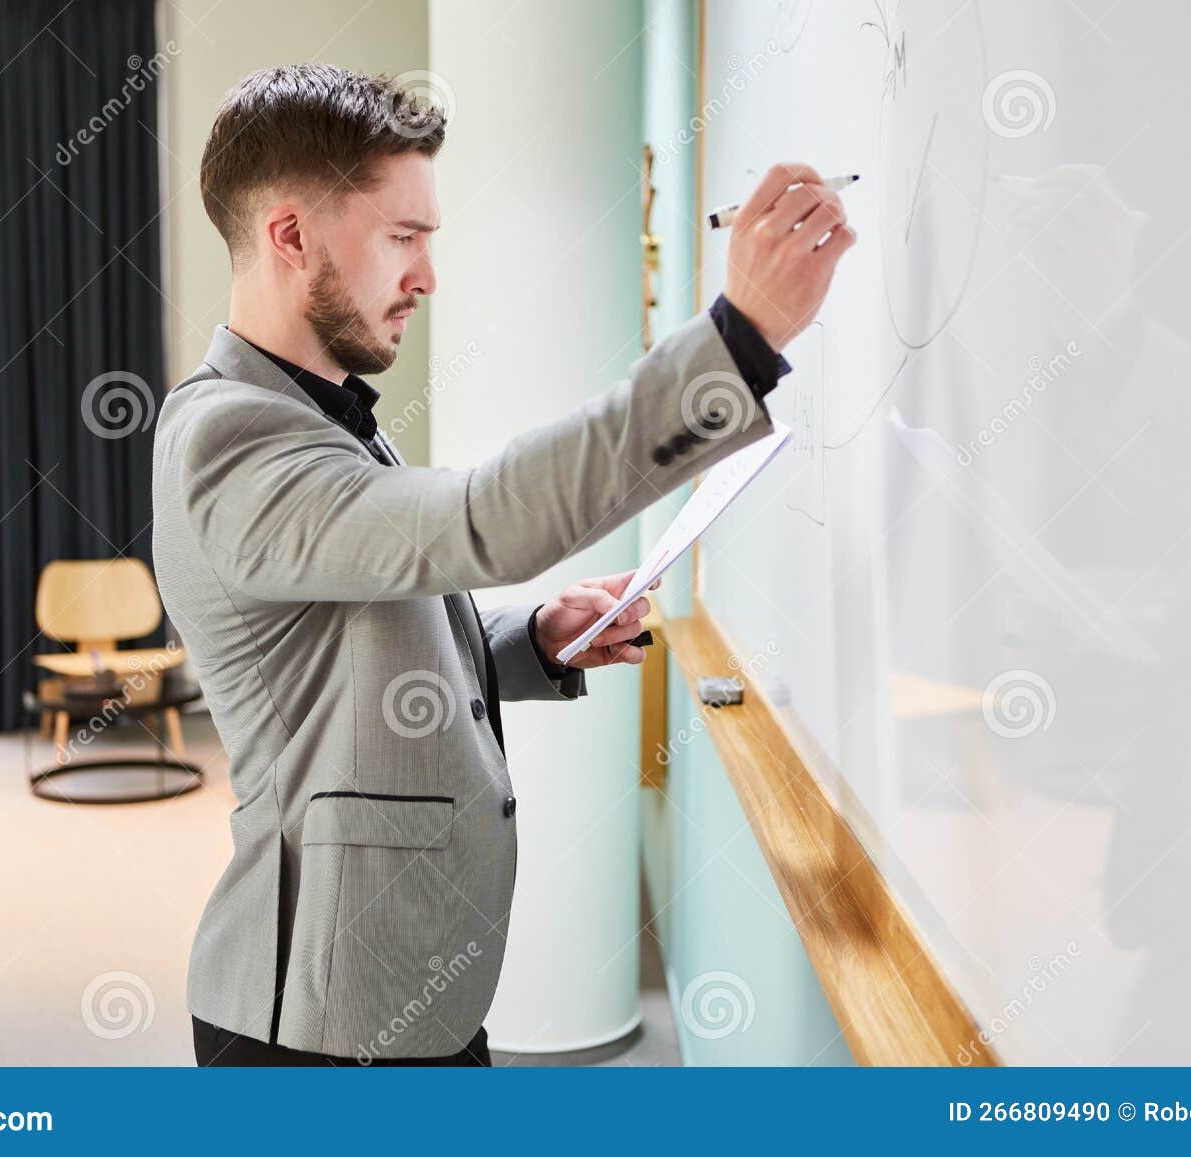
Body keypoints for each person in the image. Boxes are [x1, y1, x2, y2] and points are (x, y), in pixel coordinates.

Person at [151, 62, 855, 1066]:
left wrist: (532, 637)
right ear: (291, 235)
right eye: (404, 236)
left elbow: (361, 638)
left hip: (399, 980)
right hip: (320, 1020)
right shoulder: (234, 440)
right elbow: (486, 518)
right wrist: (737, 343)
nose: (427, 275)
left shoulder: (314, 412)